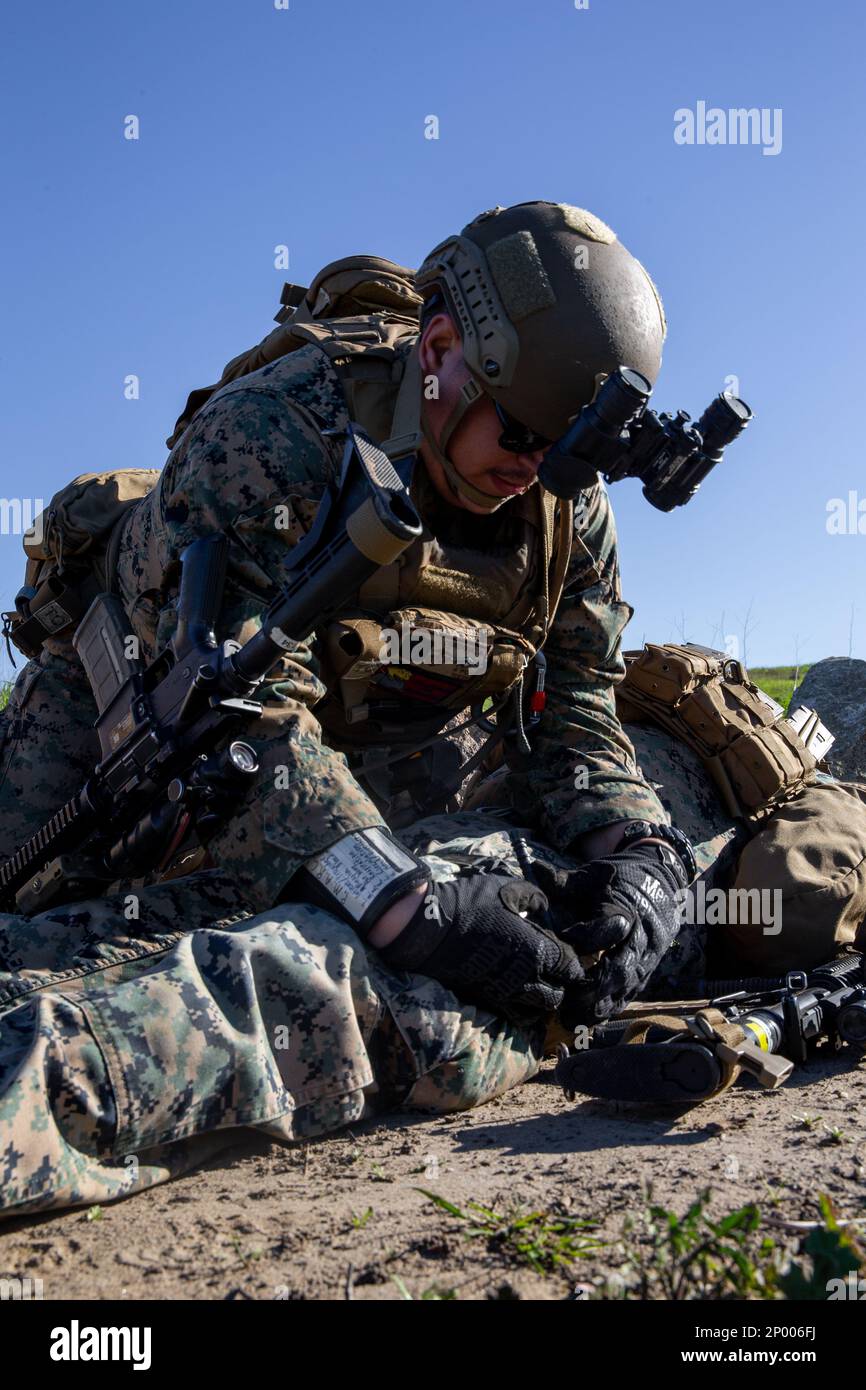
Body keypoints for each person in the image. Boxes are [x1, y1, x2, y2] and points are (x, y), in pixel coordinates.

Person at [0, 201, 857, 1220]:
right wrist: (414, 908)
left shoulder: (563, 503)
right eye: (524, 433)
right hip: (129, 722)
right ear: (441, 349)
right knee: (31, 913)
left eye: (564, 452)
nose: (532, 471)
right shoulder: (272, 435)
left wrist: (639, 854)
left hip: (356, 749)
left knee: (269, 927)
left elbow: (574, 708)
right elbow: (248, 714)